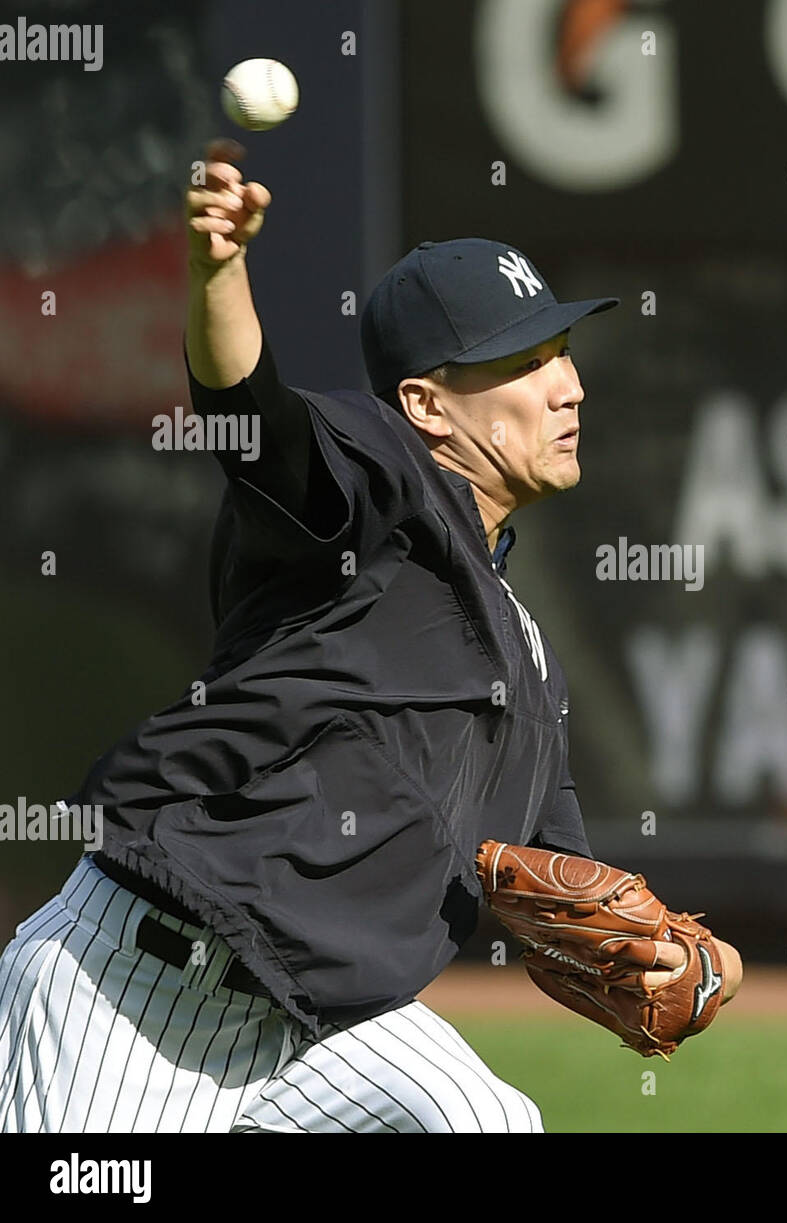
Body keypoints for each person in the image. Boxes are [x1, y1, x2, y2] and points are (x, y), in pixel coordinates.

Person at [0, 140, 738, 1133]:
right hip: (134, 990)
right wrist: (217, 272)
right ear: (428, 405)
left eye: (560, 351)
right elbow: (249, 413)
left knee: (491, 1123)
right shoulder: (375, 487)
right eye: (523, 361)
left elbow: (559, 881)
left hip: (324, 1011)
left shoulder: (521, 655)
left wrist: (700, 958)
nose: (567, 385)